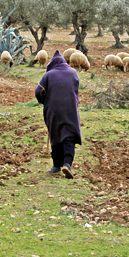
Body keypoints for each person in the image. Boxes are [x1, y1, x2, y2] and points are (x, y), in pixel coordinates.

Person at [35, 50, 82, 179]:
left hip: (54, 110)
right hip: (70, 109)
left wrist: (44, 101)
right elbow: (76, 89)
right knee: (69, 136)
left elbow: (38, 92)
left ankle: (56, 166)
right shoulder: (73, 73)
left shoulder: (48, 75)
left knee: (55, 134)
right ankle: (67, 164)